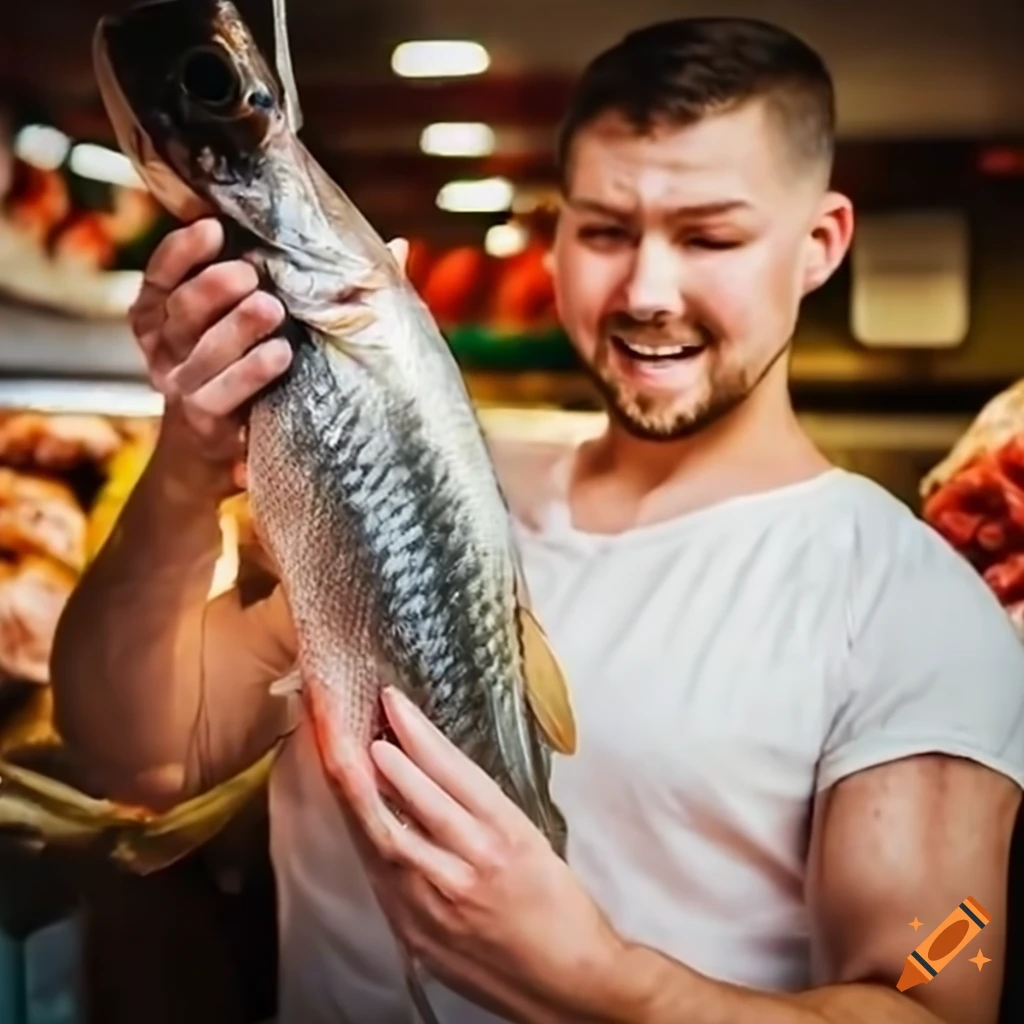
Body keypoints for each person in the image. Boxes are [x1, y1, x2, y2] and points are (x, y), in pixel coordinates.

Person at [50, 16, 1024, 1024]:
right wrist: (185, 466)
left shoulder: (909, 600)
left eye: (709, 236)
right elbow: (140, 750)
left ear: (818, 245)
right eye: (605, 229)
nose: (648, 289)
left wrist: (598, 979)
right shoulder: (421, 487)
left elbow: (931, 990)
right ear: (554, 234)